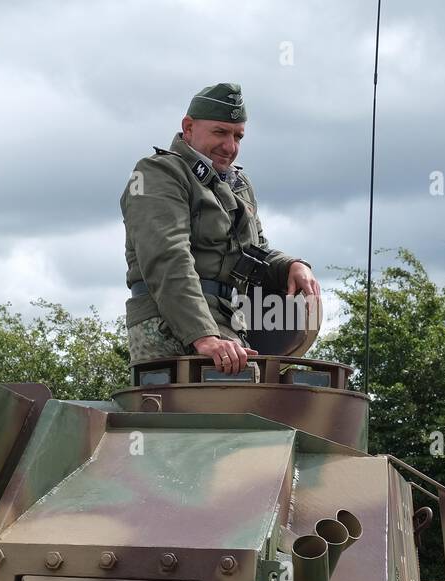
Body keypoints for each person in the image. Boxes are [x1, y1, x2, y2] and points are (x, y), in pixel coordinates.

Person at [120, 82, 319, 374]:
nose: (230, 147)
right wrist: (202, 335)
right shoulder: (157, 173)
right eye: (220, 132)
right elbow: (167, 259)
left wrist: (290, 266)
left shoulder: (237, 184)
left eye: (238, 136)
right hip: (169, 326)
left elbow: (255, 254)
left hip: (229, 326)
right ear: (188, 128)